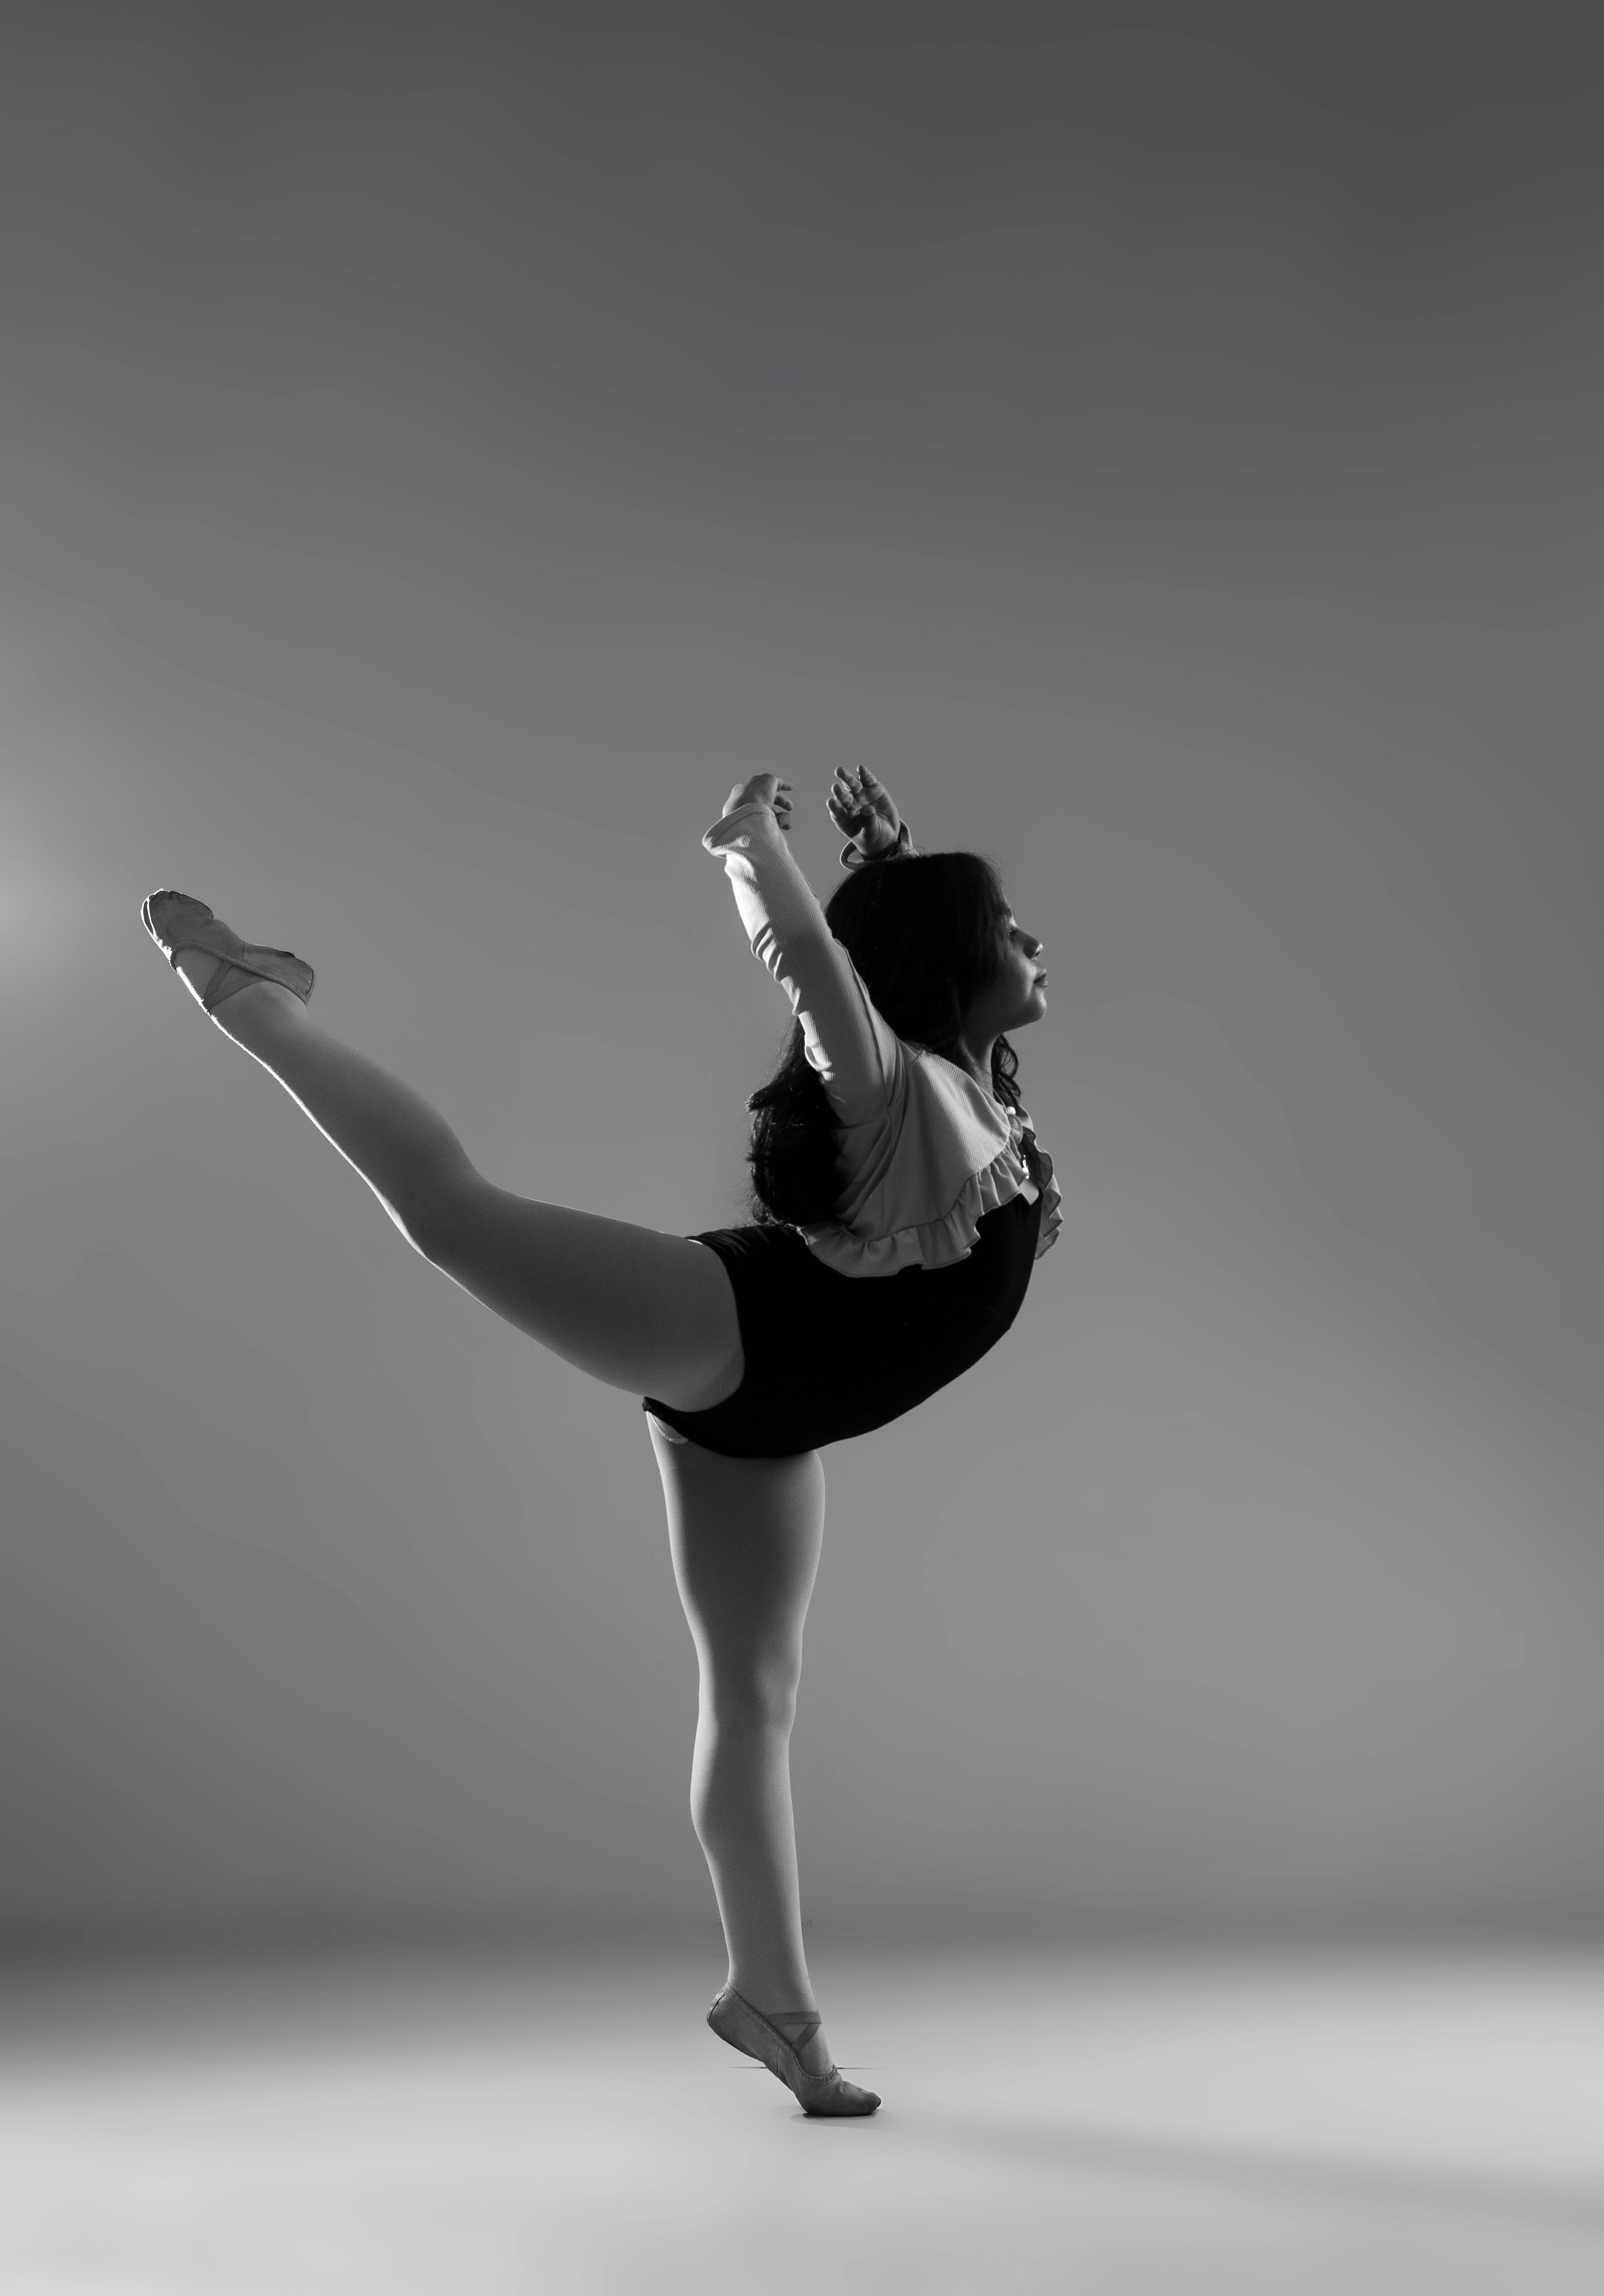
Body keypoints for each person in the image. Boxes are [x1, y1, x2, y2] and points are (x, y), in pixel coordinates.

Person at [141, 764, 1062, 2119]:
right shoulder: (893, 1087)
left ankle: (776, 2009)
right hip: (735, 1328)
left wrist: (901, 866)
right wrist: (751, 844)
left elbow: (888, 964)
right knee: (456, 1215)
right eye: (1009, 927)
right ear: (952, 964)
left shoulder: (981, 1105)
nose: (1036, 941)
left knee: (754, 1699)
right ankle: (248, 995)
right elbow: (820, 967)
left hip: (775, 1412)